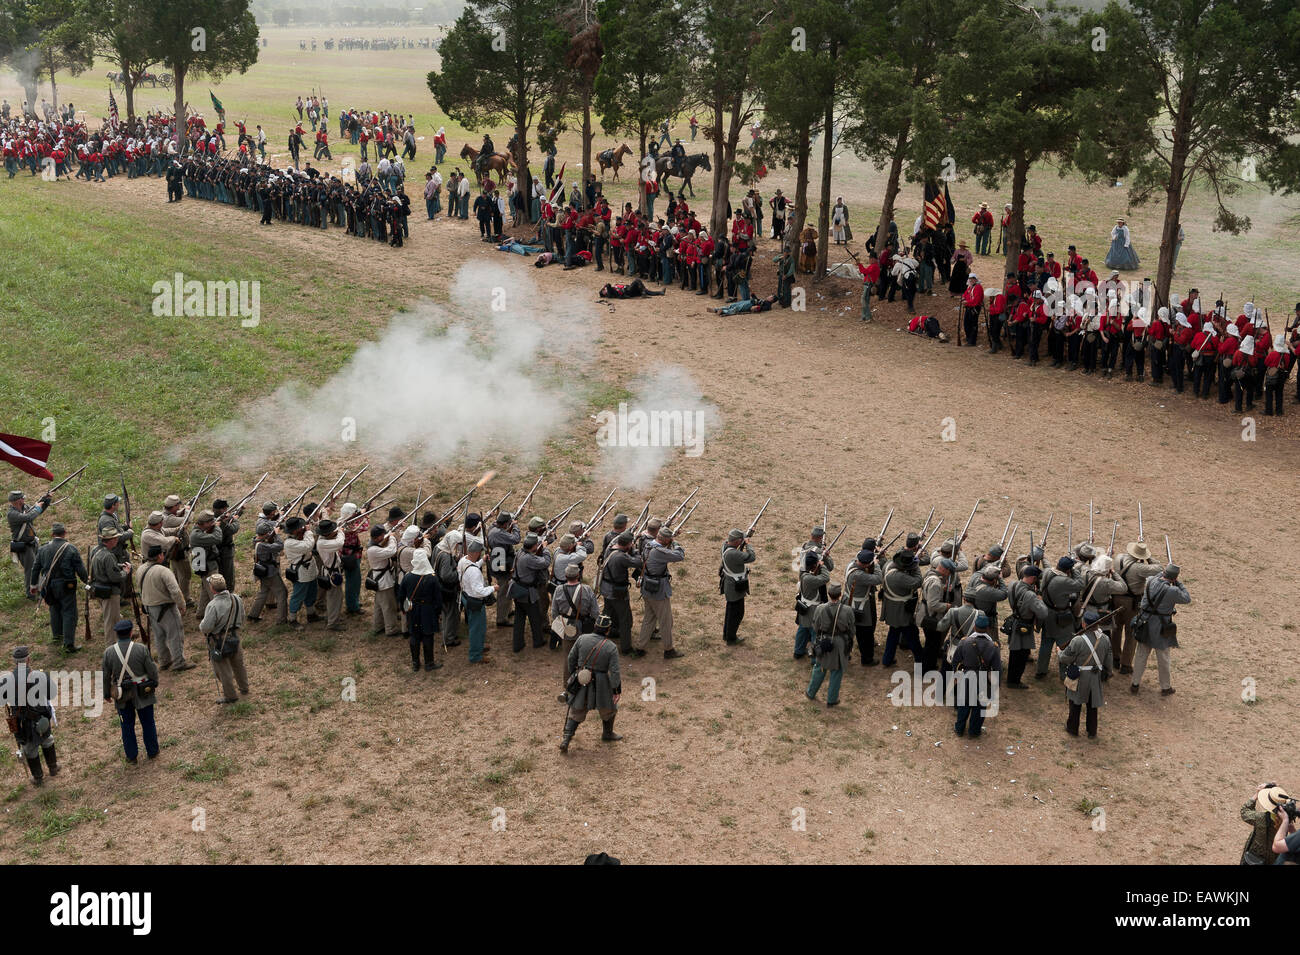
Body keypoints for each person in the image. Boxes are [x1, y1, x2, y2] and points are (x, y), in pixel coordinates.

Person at [1, 646, 59, 784]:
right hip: (41, 718)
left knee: (29, 748)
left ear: (14, 662)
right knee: (47, 739)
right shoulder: (41, 675)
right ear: (28, 659)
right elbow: (52, 694)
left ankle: (38, 777)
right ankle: (53, 768)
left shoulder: (6, 680)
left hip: (22, 722)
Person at [1131, 563, 1190, 696]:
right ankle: (1165, 687)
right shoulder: (1172, 590)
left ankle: (1135, 683)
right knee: (1163, 658)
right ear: (1174, 578)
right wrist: (1179, 584)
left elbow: (1159, 575)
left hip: (1145, 623)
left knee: (1141, 655)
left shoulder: (1151, 580)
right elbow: (1187, 598)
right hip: (1160, 627)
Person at [560, 629, 622, 753]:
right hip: (601, 684)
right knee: (608, 708)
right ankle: (607, 733)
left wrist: (574, 675)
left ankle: (566, 740)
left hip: (582, 680)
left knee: (576, 710)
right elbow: (614, 672)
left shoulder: (582, 638)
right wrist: (616, 690)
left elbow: (571, 658)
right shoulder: (611, 647)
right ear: (608, 630)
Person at [30, 523, 87, 651]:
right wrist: (87, 581)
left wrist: (33, 585)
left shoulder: (43, 549)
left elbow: (35, 569)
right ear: (65, 533)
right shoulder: (71, 548)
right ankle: (68, 644)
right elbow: (80, 569)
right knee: (69, 612)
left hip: (49, 585)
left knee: (54, 609)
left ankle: (57, 635)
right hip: (67, 585)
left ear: (52, 534)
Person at [136, 544, 191, 671]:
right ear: (160, 555)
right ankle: (179, 662)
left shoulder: (140, 569)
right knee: (175, 634)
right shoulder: (164, 571)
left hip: (149, 607)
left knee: (159, 635)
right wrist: (182, 605)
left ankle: (164, 661)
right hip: (166, 608)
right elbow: (175, 591)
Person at [1059, 610, 1113, 738]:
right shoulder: (1105, 639)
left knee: (1075, 703)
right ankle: (1092, 731)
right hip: (1095, 676)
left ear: (1084, 624)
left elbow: (1065, 658)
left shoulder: (1078, 640)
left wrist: (1059, 653)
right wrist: (1108, 672)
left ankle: (1072, 728)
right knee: (1092, 706)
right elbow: (1109, 659)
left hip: (1080, 677)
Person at [199, 574, 249, 704]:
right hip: (234, 636)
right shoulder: (236, 598)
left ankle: (230, 696)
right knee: (239, 664)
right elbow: (242, 616)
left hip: (218, 641)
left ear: (212, 588)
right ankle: (244, 687)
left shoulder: (212, 605)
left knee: (223, 671)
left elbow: (206, 627)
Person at [951, 613, 1001, 737]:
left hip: (967, 677)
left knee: (964, 704)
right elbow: (997, 669)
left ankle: (959, 729)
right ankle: (974, 731)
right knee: (980, 707)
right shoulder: (993, 647)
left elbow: (955, 661)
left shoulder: (964, 642)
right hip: (984, 680)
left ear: (974, 627)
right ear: (988, 629)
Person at [805, 583, 854, 707]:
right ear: (840, 595)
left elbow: (815, 627)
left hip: (824, 642)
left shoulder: (820, 608)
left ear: (828, 594)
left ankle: (811, 693)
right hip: (840, 644)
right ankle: (831, 700)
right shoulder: (847, 610)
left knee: (819, 668)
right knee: (836, 672)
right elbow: (852, 629)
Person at [552, 561, 599, 680]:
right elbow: (595, 613)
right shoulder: (587, 590)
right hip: (584, 628)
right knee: (586, 657)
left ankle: (568, 685)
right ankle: (584, 683)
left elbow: (554, 613)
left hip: (567, 628)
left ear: (565, 576)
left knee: (568, 657)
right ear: (578, 575)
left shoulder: (558, 590)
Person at [399, 548, 443, 672]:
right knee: (428, 635)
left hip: (413, 610)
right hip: (427, 611)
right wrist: (437, 612)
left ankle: (415, 663)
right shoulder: (432, 578)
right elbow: (438, 599)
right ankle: (429, 663)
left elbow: (401, 595)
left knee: (414, 636)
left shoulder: (407, 577)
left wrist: (404, 609)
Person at [880, 550, 923, 667]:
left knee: (893, 634)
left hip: (891, 607)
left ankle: (887, 659)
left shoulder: (888, 565)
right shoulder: (899, 576)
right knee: (912, 636)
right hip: (901, 611)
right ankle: (921, 661)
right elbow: (918, 581)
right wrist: (916, 566)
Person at [457, 539, 496, 663]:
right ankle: (475, 655)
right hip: (474, 600)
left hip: (466, 596)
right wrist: (493, 588)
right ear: (477, 552)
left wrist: (482, 561)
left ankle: (479, 645)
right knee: (476, 628)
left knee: (480, 626)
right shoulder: (474, 572)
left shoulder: (464, 560)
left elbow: (472, 566)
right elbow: (479, 591)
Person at [8, 488, 53, 594]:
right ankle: (31, 593)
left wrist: (46, 500)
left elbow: (38, 512)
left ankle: (42, 587)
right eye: (22, 498)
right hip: (24, 546)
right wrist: (37, 508)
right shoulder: (12, 514)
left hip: (32, 543)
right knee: (31, 570)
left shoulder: (25, 507)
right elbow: (28, 517)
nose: (24, 500)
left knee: (40, 565)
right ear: (18, 501)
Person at [719, 529, 755, 646]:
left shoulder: (725, 546)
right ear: (737, 541)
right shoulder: (734, 553)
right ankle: (731, 638)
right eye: (740, 541)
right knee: (737, 613)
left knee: (730, 611)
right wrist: (748, 544)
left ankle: (727, 634)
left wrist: (748, 534)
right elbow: (751, 557)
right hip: (735, 586)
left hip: (730, 584)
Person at [1240, 784, 1291, 865]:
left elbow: (1244, 812)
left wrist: (1256, 794)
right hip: (1274, 860)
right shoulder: (1286, 822)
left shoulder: (1260, 818)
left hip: (1255, 857)